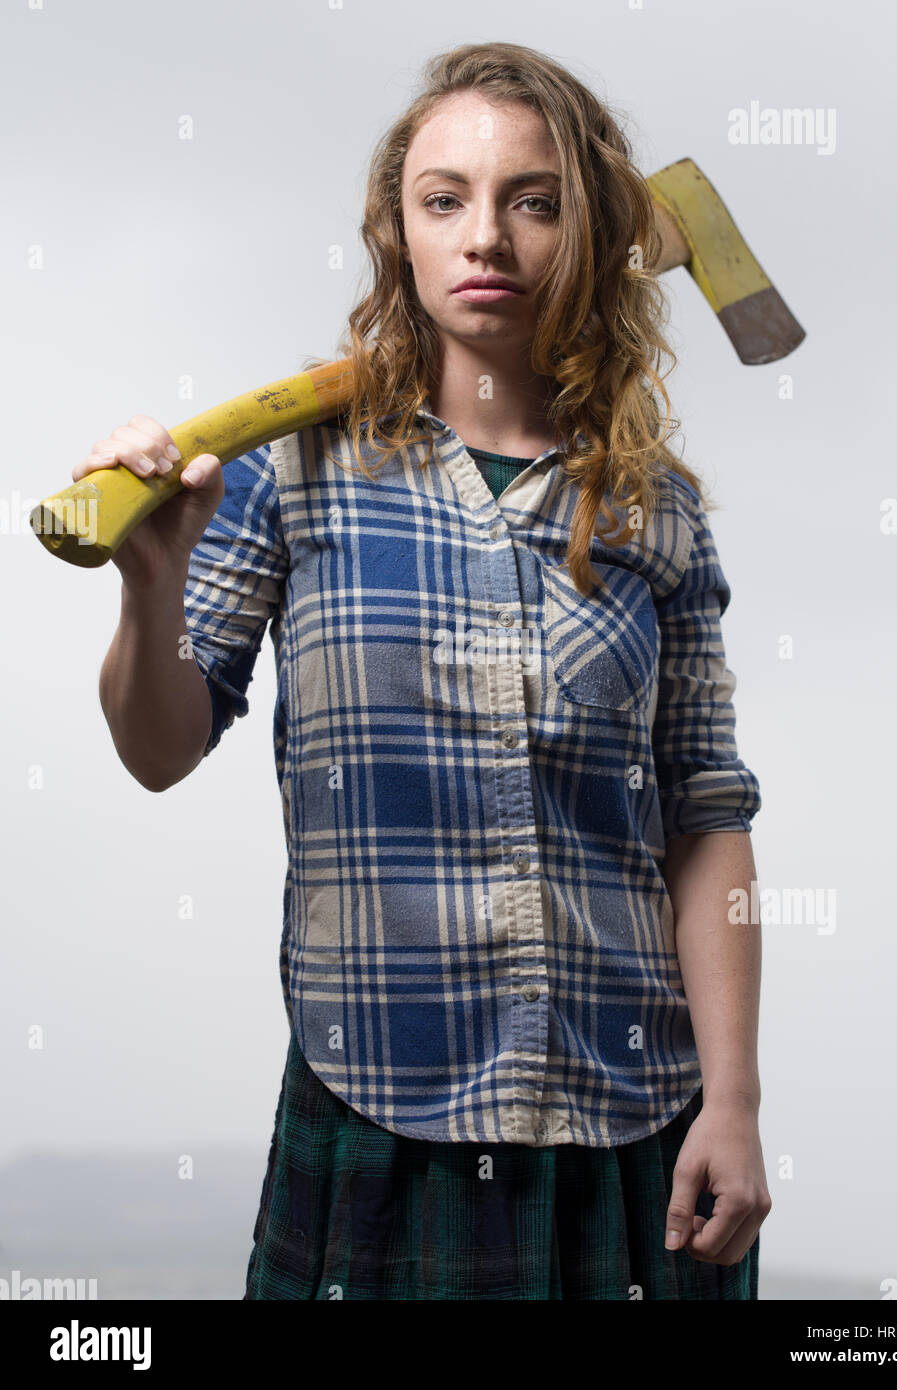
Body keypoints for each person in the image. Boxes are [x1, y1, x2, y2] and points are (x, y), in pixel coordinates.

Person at [86, 41, 771, 1301]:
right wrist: (150, 580)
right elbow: (158, 748)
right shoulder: (289, 474)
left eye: (535, 199)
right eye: (444, 198)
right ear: (397, 232)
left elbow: (707, 820)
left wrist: (734, 1101)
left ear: (594, 230)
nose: (487, 238)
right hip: (384, 1106)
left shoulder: (656, 512)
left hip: (635, 1123)